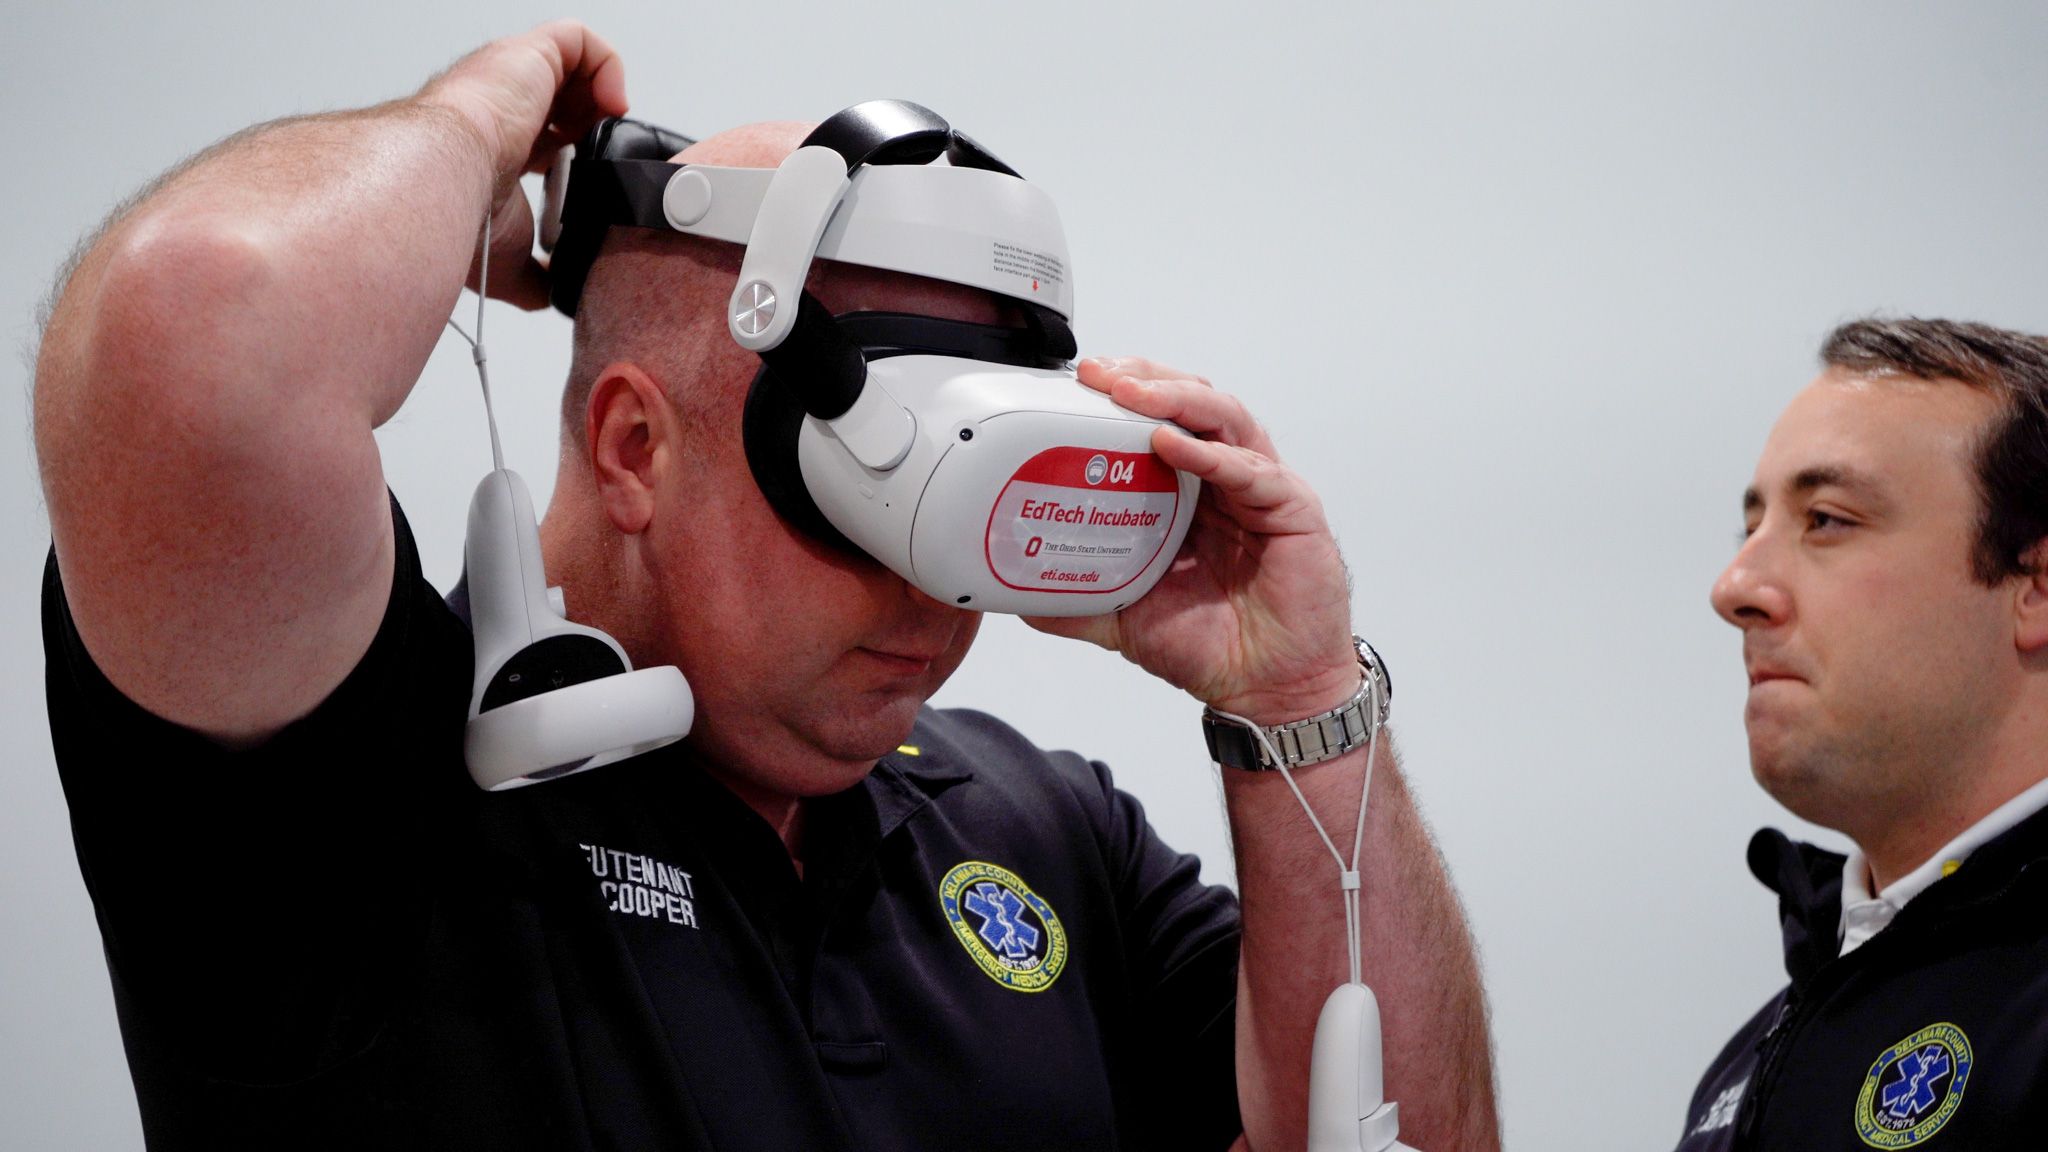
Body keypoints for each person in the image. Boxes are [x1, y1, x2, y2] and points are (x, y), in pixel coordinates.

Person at [34, 22, 1498, 1150]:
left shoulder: (1040, 830)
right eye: (881, 495)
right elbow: (197, 335)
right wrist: (486, 115)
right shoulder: (345, 791)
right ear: (633, 447)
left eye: (969, 499)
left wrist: (1300, 700)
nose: (941, 608)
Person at [1676, 318, 2048, 1149]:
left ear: (2037, 587)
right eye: (1751, 529)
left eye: (1828, 520)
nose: (1735, 586)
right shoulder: (1753, 1057)